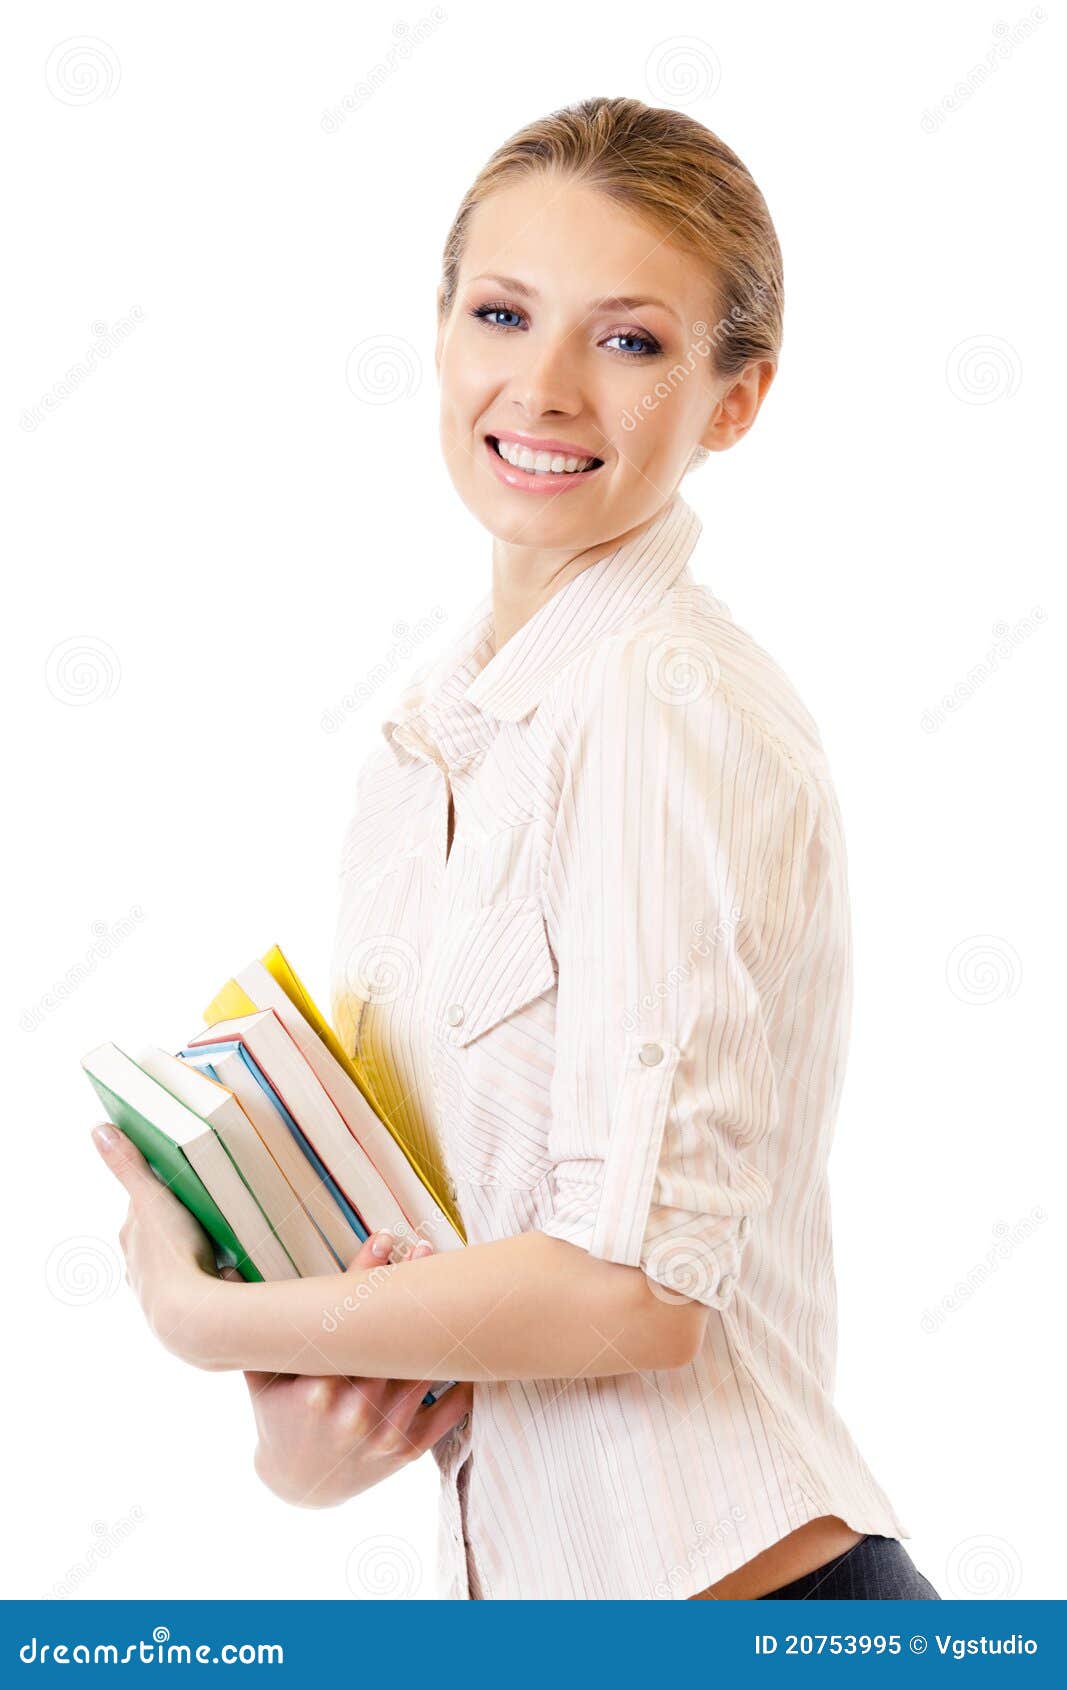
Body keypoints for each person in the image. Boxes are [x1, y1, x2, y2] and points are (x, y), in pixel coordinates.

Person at [93, 96, 940, 1601]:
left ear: (733, 401)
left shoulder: (655, 701)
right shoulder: (420, 760)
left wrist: (202, 1319)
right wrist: (307, 1427)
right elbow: (471, 1280)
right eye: (502, 313)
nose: (541, 388)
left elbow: (632, 1295)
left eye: (628, 341)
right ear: (441, 336)